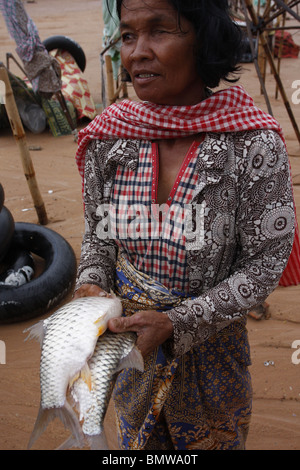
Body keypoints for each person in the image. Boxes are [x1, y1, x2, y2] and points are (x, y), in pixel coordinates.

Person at [74, 0, 296, 450]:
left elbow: (266, 262)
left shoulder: (252, 143)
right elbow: (99, 238)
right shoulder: (110, 138)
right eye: (129, 35)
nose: (137, 51)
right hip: (128, 352)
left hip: (213, 360)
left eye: (159, 30)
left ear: (205, 39)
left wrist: (177, 322)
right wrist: (91, 284)